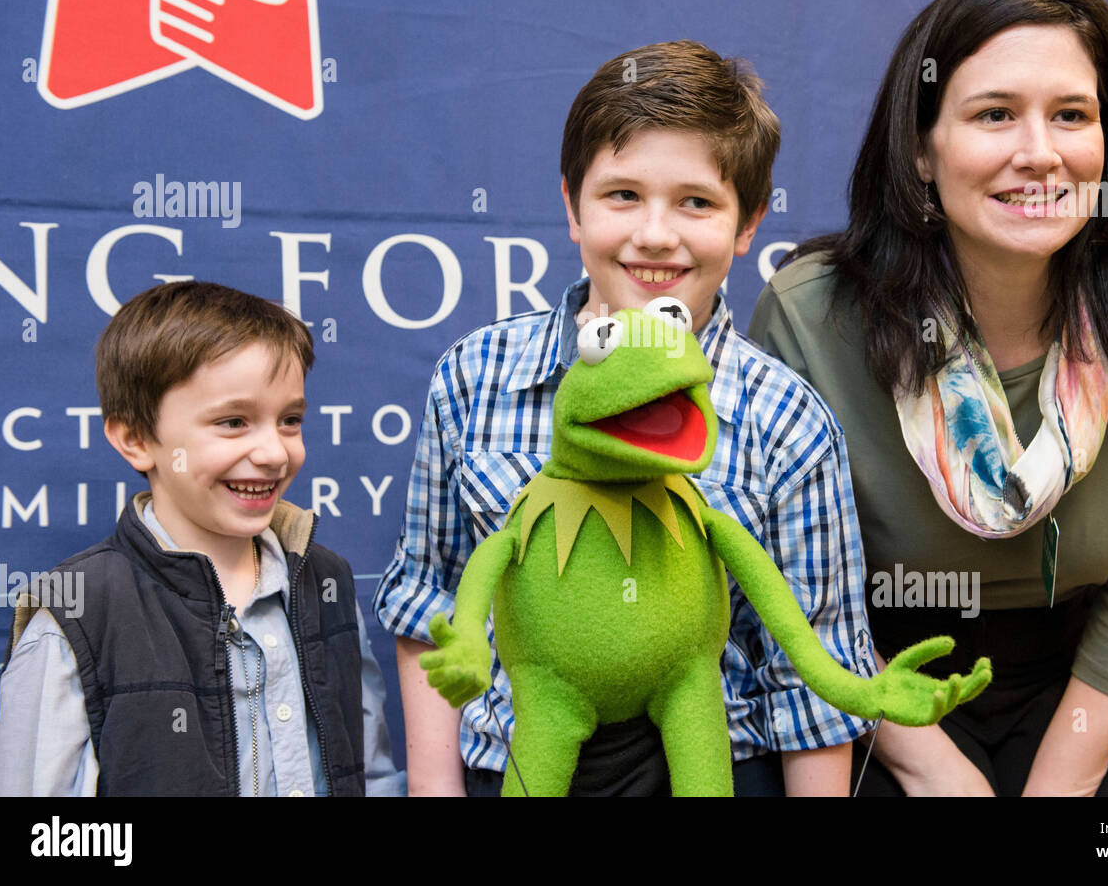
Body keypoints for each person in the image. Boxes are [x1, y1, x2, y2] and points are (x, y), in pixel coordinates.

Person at [748, 0, 1108, 796]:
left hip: (1079, 690)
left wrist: (1058, 782)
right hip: (872, 679)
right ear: (920, 149)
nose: (1040, 154)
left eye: (1071, 116)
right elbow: (792, 593)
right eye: (994, 115)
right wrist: (934, 768)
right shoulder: (810, 315)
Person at [375, 40, 879, 796]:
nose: (654, 234)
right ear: (571, 206)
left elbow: (814, 678)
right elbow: (429, 600)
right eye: (622, 196)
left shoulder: (787, 420)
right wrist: (435, 789)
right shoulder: (475, 378)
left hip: (713, 764)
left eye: (697, 202)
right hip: (516, 764)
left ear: (748, 226)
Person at [0, 281, 404, 796]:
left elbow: (371, 772)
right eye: (233, 422)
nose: (274, 452)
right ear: (136, 439)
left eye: (290, 420)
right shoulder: (77, 617)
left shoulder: (326, 582)